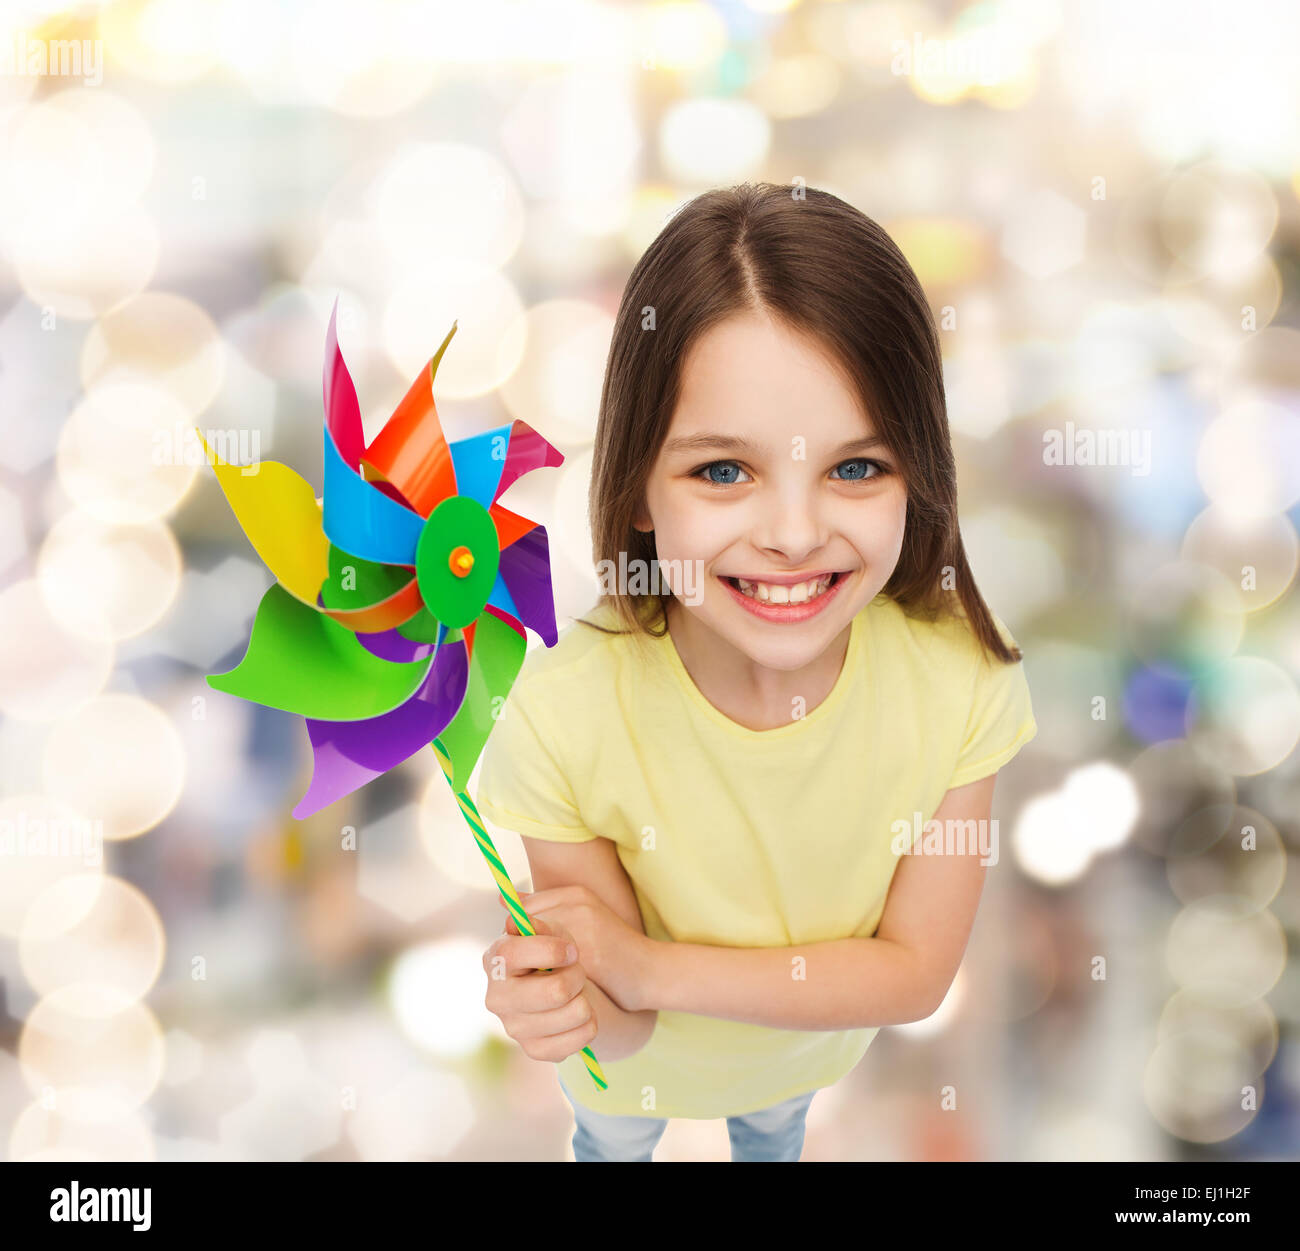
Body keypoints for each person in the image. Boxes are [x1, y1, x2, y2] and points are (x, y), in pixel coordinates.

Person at [476, 181, 1036, 1162]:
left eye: (856, 468)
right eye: (722, 472)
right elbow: (627, 1028)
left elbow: (912, 978)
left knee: (774, 1126)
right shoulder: (561, 714)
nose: (790, 534)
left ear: (921, 470)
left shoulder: (960, 687)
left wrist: (644, 965)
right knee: (614, 1131)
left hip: (804, 1067)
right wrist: (564, 1000)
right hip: (632, 1076)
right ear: (638, 484)